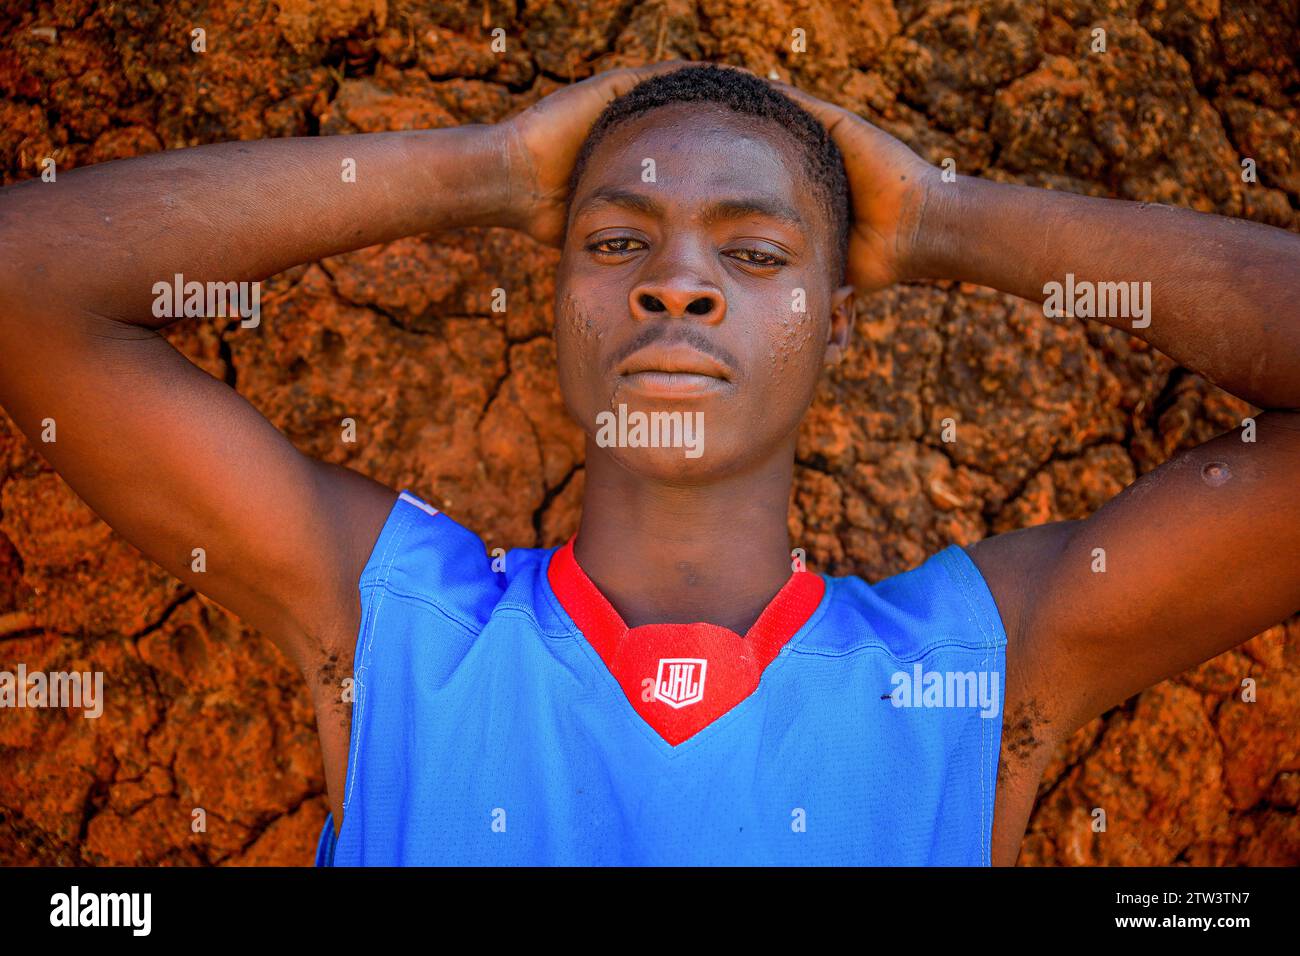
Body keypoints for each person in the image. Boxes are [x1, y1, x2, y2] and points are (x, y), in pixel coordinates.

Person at [0, 61, 1296, 866]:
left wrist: (952, 217)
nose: (679, 284)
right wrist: (489, 166)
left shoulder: (969, 678)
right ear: (556, 304)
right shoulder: (393, 634)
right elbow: (24, 286)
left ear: (838, 323)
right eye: (617, 243)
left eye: (756, 253)